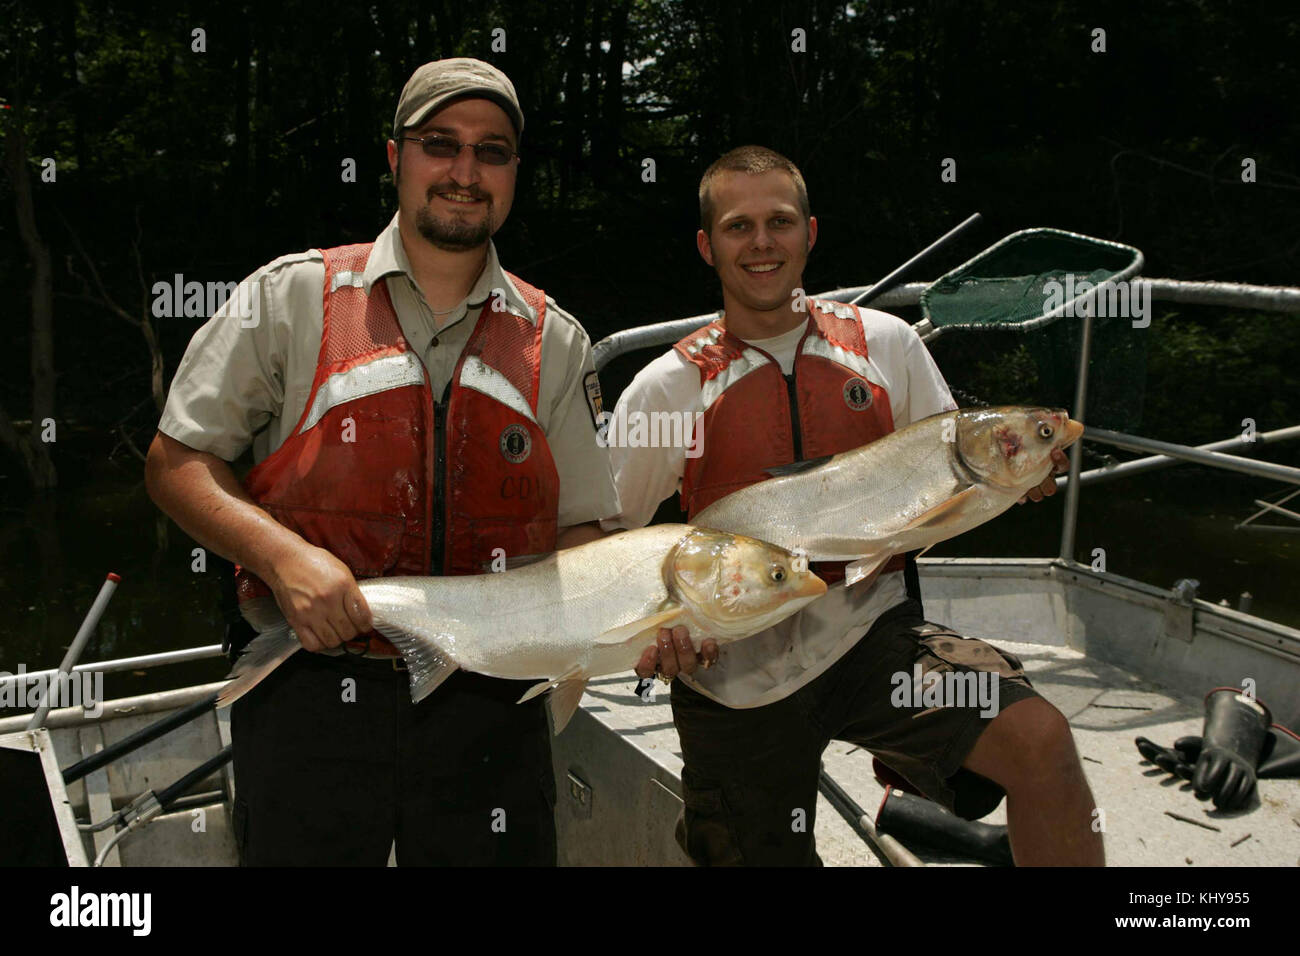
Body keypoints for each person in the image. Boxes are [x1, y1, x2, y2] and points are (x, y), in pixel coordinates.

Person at [144, 58, 621, 866]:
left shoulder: (557, 339)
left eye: (492, 151)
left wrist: (648, 616)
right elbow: (175, 462)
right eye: (441, 144)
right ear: (396, 157)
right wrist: (283, 558)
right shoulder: (290, 298)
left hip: (491, 699)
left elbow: (582, 530)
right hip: (311, 687)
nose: (465, 172)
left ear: (513, 174)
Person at [604, 145, 1105, 866]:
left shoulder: (887, 345)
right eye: (739, 226)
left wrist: (1018, 479)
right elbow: (606, 537)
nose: (762, 242)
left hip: (873, 638)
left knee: (1041, 742)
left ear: (810, 233)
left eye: (780, 221)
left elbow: (948, 485)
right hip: (734, 672)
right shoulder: (665, 388)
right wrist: (652, 634)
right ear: (706, 246)